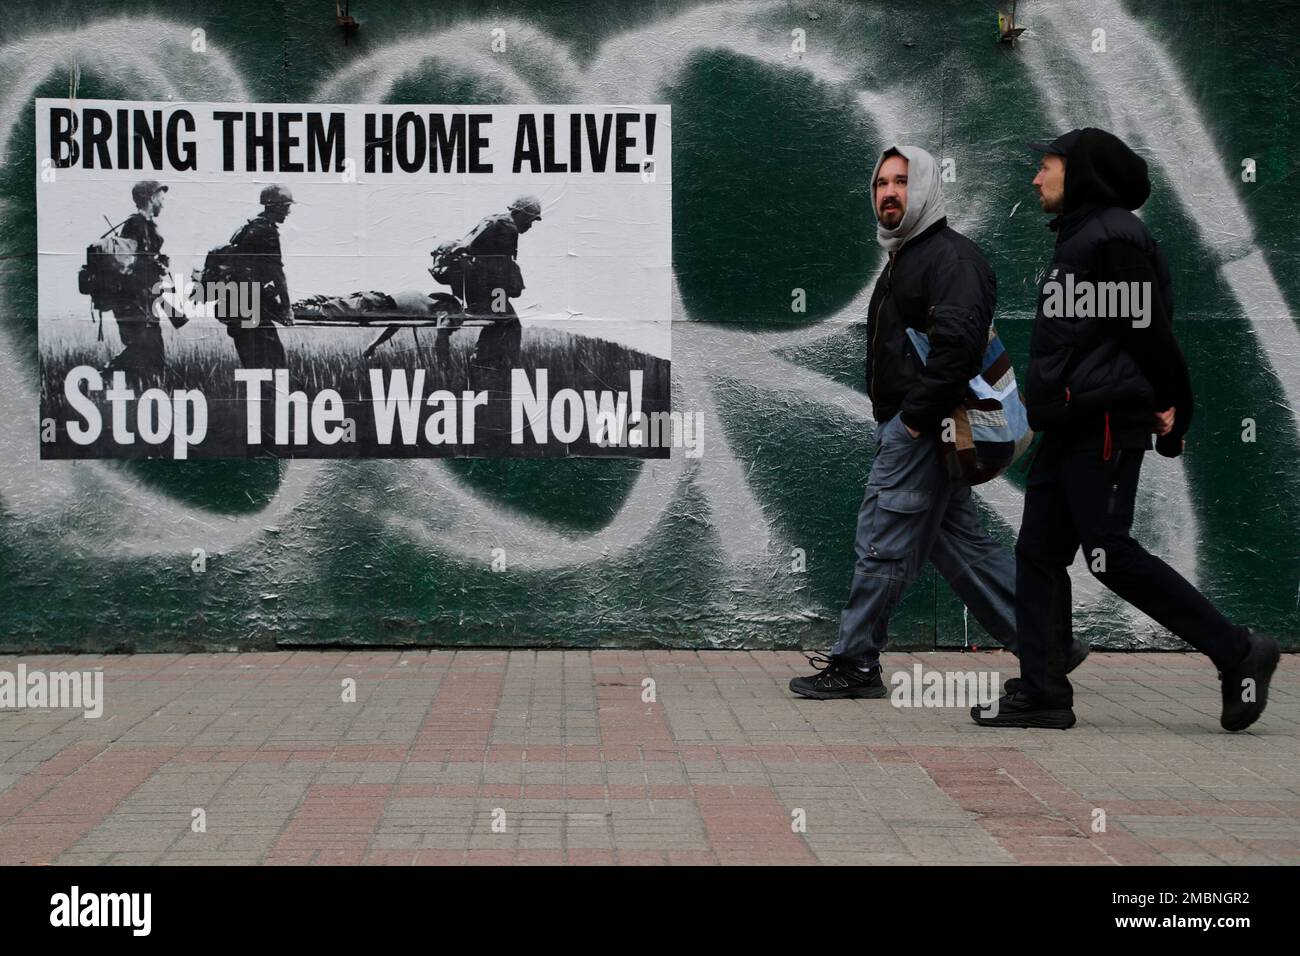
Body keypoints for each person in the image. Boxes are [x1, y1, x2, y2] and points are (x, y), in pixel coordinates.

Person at [972, 128, 1280, 731]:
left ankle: (1238, 651)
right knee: (1036, 553)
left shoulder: (1112, 241)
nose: (1037, 178)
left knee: (1108, 554)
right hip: (1071, 425)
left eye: (1047, 166)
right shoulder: (1082, 240)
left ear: (1081, 173)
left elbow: (1151, 335)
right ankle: (1042, 692)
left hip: (1105, 425)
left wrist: (1176, 410)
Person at [791, 145, 1085, 700]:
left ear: (924, 187)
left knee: (880, 539)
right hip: (923, 430)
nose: (889, 193)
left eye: (901, 182)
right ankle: (1047, 643)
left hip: (922, 433)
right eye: (880, 184)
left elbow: (958, 346)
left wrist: (914, 421)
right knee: (964, 549)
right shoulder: (909, 255)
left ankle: (856, 664)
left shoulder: (948, 258)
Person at [462, 195, 542, 440]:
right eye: (531, 220)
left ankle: (484, 375)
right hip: (488, 291)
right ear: (522, 214)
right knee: (510, 327)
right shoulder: (507, 228)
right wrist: (502, 297)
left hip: (476, 288)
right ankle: (498, 379)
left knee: (499, 330)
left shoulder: (494, 221)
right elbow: (500, 268)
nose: (530, 226)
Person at [106, 180, 170, 386]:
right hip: (134, 300)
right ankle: (105, 377)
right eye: (161, 196)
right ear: (151, 198)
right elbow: (130, 266)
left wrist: (159, 262)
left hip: (146, 299)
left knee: (152, 353)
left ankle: (140, 389)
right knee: (143, 349)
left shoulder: (148, 226)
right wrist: (154, 264)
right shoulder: (135, 224)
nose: (163, 201)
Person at [226, 184, 295, 370]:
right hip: (251, 311)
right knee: (274, 365)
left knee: (256, 367)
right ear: (277, 206)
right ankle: (269, 399)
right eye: (287, 206)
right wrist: (287, 308)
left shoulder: (246, 229)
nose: (288, 212)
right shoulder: (267, 232)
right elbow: (277, 272)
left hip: (239, 309)